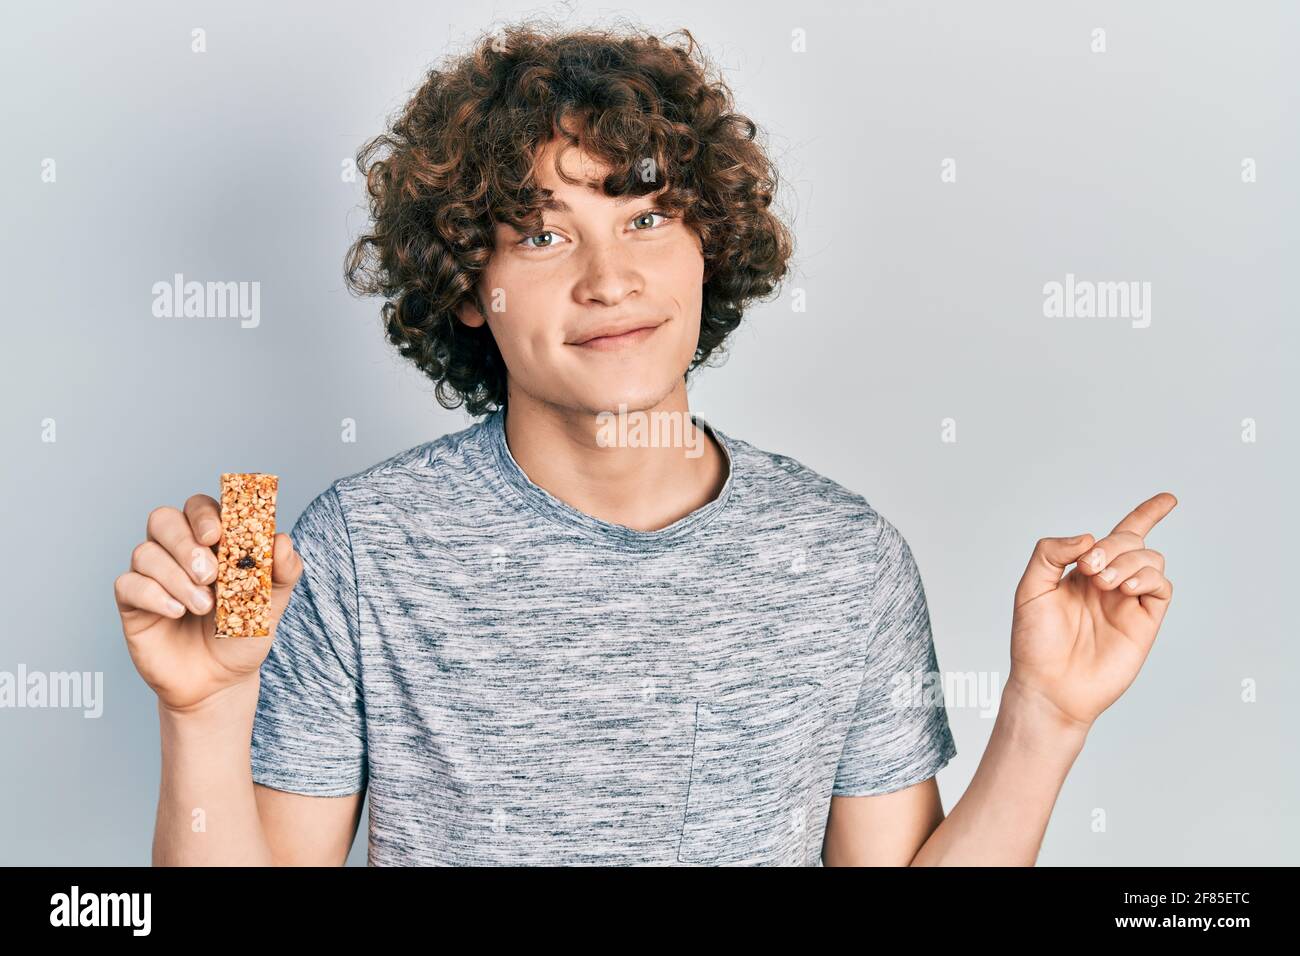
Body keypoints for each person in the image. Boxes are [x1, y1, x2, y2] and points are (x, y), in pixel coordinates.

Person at [115, 21, 1175, 866]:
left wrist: (1042, 715)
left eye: (644, 217)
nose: (606, 278)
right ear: (467, 288)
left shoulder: (845, 561)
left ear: (710, 241)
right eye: (539, 234)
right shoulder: (358, 547)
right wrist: (203, 709)